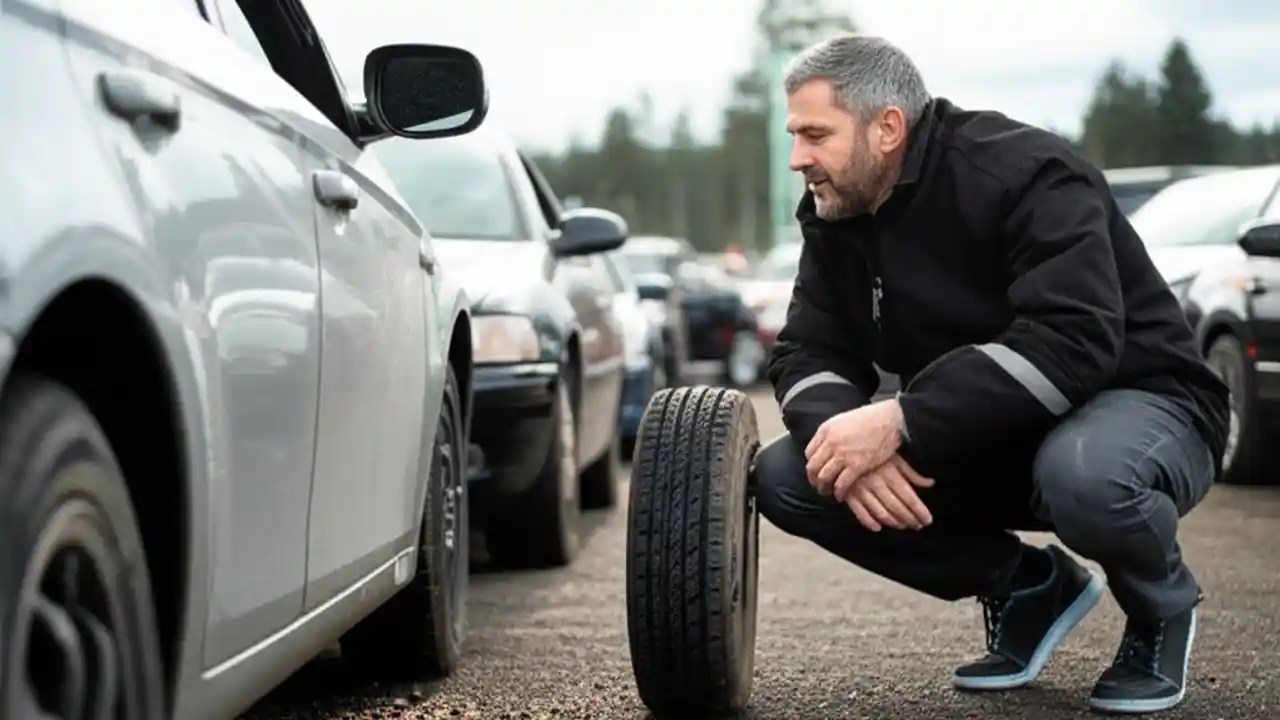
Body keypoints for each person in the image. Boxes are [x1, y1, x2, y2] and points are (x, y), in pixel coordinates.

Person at [756, 34, 1229, 715]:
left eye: (815, 135)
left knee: (1085, 476)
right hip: (991, 424)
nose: (798, 157)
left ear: (887, 127)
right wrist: (841, 435)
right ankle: (1028, 585)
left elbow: (1073, 340)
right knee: (793, 477)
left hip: (1145, 402)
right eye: (795, 135)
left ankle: (1160, 608)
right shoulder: (839, 214)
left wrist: (901, 418)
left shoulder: (1026, 173)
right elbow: (807, 349)